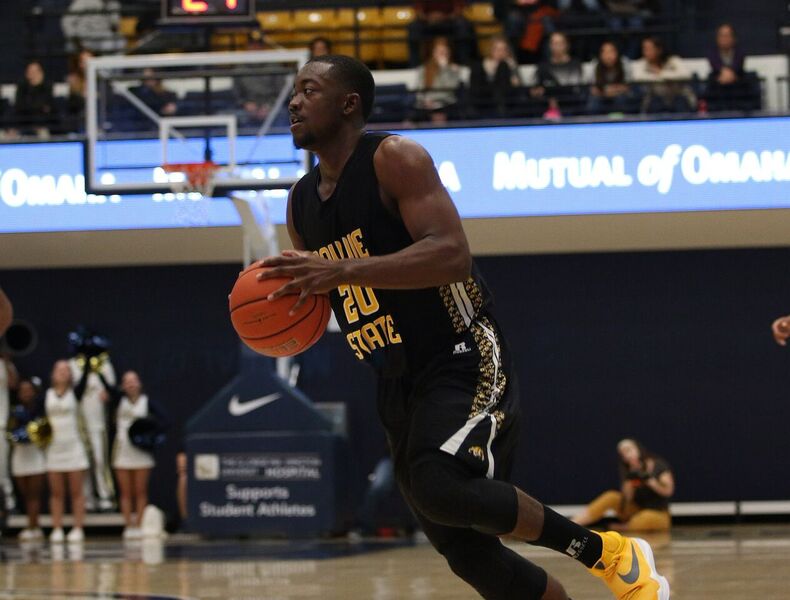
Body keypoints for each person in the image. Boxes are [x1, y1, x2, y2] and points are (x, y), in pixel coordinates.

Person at [259, 54, 670, 599]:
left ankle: (610, 553)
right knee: (462, 548)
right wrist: (284, 312)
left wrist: (338, 269)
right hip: (395, 380)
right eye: (294, 91)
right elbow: (326, 294)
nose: (294, 101)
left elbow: (451, 254)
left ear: (348, 103)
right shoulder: (300, 203)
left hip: (463, 352)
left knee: (439, 485)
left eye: (309, 90)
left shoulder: (394, 158)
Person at [103, 370, 164, 540]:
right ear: (122, 385)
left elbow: (165, 421)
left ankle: (140, 525)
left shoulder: (147, 402)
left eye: (134, 380)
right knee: (125, 492)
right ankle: (128, 525)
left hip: (140, 451)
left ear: (140, 383)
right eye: (127, 381)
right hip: (122, 449)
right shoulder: (117, 401)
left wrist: (149, 437)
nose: (131, 384)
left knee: (140, 491)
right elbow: (107, 390)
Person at [573, 439, 674, 532]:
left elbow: (668, 491)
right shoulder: (628, 470)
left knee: (645, 518)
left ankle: (622, 527)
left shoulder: (657, 464)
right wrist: (631, 478)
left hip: (658, 513)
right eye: (623, 453)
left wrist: (651, 481)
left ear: (638, 448)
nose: (627, 454)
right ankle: (574, 523)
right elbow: (627, 499)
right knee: (611, 496)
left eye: (629, 450)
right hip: (636, 510)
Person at [46, 360, 90, 544]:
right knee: (56, 492)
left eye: (66, 370)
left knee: (76, 491)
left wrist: (88, 358)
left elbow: (87, 376)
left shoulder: (76, 393)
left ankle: (78, 527)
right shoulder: (46, 395)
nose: (63, 373)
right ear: (53, 373)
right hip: (53, 448)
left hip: (73, 447)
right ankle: (56, 527)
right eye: (59, 369)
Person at [69, 350, 116, 512]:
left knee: (99, 460)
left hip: (98, 423)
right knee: (83, 463)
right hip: (77, 426)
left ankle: (105, 497)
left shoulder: (104, 364)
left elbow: (111, 392)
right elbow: (75, 393)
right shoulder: (72, 364)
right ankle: (87, 499)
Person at [8, 377, 47, 541]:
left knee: (34, 494)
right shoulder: (13, 411)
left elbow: (45, 432)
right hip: (19, 455)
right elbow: (10, 432)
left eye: (28, 390)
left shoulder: (39, 410)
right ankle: (29, 524)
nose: (26, 393)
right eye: (22, 390)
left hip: (35, 454)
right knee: (25, 494)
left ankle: (35, 525)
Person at [631, 36, 695, 114]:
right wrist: (660, 77)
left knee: (681, 101)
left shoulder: (673, 60)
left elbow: (686, 75)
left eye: (649, 49)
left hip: (677, 97)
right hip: (655, 100)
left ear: (659, 50)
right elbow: (638, 77)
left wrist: (662, 73)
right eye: (644, 49)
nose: (645, 52)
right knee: (654, 102)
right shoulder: (641, 63)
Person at [705, 24, 759, 112]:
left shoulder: (739, 51)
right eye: (721, 36)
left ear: (733, 38)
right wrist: (724, 72)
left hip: (737, 83)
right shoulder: (712, 52)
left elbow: (738, 64)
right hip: (718, 83)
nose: (724, 39)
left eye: (727, 36)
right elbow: (715, 64)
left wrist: (730, 73)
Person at [531, 32, 585, 118]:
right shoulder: (543, 66)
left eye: (560, 43)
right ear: (550, 46)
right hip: (547, 106)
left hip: (571, 105)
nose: (557, 46)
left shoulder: (575, 64)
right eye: (554, 43)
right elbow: (538, 87)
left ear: (566, 45)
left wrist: (555, 97)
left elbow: (574, 88)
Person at [407, 1, 476, 66]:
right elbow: (418, 11)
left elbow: (459, 9)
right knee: (414, 27)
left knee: (463, 26)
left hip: (450, 20)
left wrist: (444, 17)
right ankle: (414, 66)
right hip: (428, 21)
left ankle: (464, 64)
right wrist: (429, 17)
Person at [469, 35, 523, 118]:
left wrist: (511, 69)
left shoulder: (510, 65)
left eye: (504, 50)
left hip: (507, 102)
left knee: (503, 67)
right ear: (491, 50)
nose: (500, 52)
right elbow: (475, 88)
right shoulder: (480, 66)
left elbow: (518, 86)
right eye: (497, 49)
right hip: (483, 101)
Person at [413, 37, 463, 124]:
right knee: (413, 114)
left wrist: (444, 69)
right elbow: (418, 88)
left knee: (439, 115)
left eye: (444, 53)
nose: (441, 55)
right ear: (433, 53)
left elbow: (449, 89)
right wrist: (426, 100)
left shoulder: (454, 69)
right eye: (439, 52)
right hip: (425, 103)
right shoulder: (423, 69)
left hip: (445, 103)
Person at [497, 0, 560, 64]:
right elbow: (499, 9)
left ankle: (551, 63)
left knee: (548, 25)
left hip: (541, 9)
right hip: (516, 10)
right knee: (513, 21)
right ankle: (511, 62)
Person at [586, 41, 634, 115]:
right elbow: (593, 89)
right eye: (605, 52)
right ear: (600, 55)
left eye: (611, 52)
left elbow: (627, 86)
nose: (609, 56)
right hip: (601, 95)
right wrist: (605, 92)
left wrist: (613, 90)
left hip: (619, 95)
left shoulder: (624, 63)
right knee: (593, 102)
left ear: (617, 53)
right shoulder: (594, 65)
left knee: (622, 100)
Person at [13, 61, 55, 138]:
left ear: (41, 73)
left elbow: (48, 107)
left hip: (42, 123)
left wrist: (38, 86)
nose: (33, 74)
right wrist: (39, 107)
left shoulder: (47, 86)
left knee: (44, 134)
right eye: (30, 72)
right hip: (24, 122)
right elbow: (19, 106)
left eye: (35, 71)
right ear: (26, 73)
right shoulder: (22, 86)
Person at [0, 351, 19, 512]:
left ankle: (9, 503)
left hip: (1, 424)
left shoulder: (5, 366)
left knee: (2, 467)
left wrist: (6, 361)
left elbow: (14, 384)